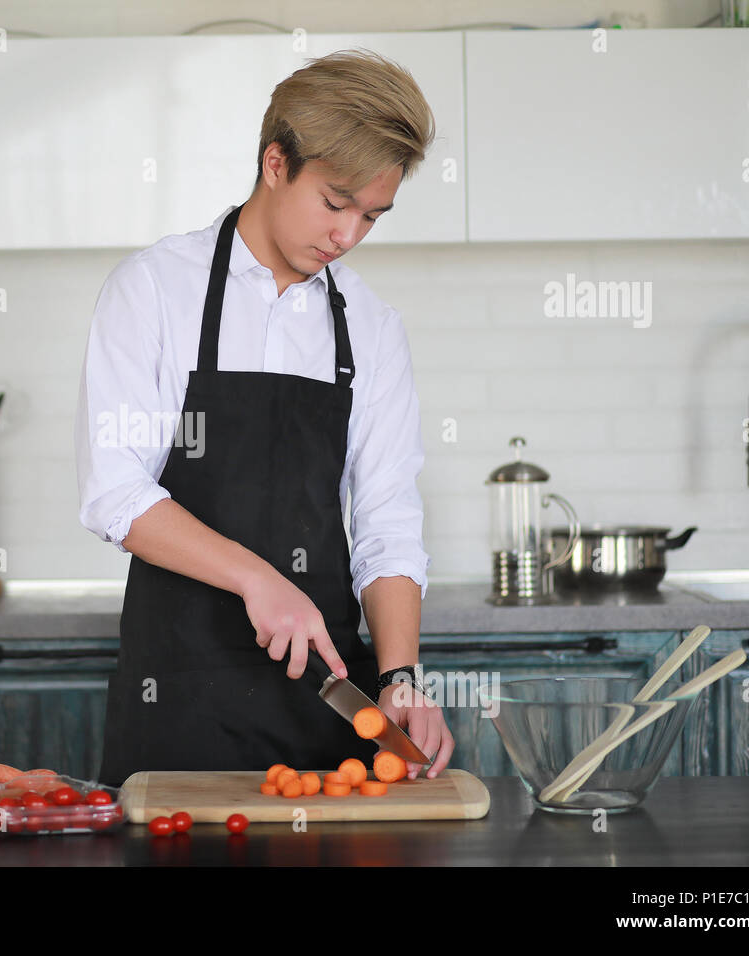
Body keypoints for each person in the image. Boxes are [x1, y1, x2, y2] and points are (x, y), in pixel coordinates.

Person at [75, 49, 454, 787]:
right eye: (336, 202)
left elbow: (386, 519)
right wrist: (259, 579)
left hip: (328, 705)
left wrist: (401, 674)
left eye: (372, 215)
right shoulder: (153, 291)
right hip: (180, 699)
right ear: (275, 162)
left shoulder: (371, 329)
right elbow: (114, 492)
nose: (348, 236)